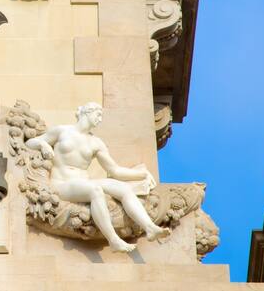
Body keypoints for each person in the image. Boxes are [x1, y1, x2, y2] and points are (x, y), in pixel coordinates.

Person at [25, 102, 170, 252]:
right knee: (95, 190)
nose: (100, 119)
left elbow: (115, 170)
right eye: (98, 115)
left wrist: (142, 174)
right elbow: (30, 142)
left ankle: (149, 227)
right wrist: (43, 145)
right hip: (62, 184)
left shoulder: (96, 142)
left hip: (83, 182)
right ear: (87, 112)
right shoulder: (62, 131)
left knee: (124, 188)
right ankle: (113, 240)